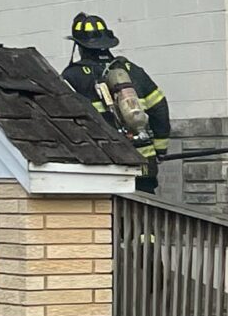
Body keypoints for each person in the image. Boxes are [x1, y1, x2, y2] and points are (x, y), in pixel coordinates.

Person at [60, 11, 171, 192]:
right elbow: (160, 109)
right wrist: (160, 150)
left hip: (105, 164)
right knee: (146, 212)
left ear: (79, 46)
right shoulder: (133, 71)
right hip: (143, 162)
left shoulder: (73, 76)